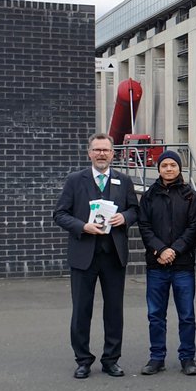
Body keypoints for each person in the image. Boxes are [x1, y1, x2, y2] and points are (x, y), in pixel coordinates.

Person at [54, 132, 140, 378]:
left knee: (114, 310)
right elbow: (60, 214)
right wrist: (83, 226)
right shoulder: (75, 180)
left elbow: (135, 210)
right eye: (97, 150)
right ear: (89, 153)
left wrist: (124, 217)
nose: (101, 154)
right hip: (84, 255)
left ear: (113, 154)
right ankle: (83, 360)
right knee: (81, 310)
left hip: (113, 255)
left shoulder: (123, 180)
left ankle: (111, 359)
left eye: (106, 150)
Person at [137, 149, 196, 376]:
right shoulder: (149, 196)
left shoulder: (191, 196)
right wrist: (161, 249)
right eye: (164, 165)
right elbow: (144, 226)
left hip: (183, 265)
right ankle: (157, 358)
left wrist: (174, 250)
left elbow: (194, 227)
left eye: (173, 165)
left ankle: (188, 358)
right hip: (157, 264)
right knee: (156, 315)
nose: (169, 169)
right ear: (159, 169)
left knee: (187, 315)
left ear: (179, 168)